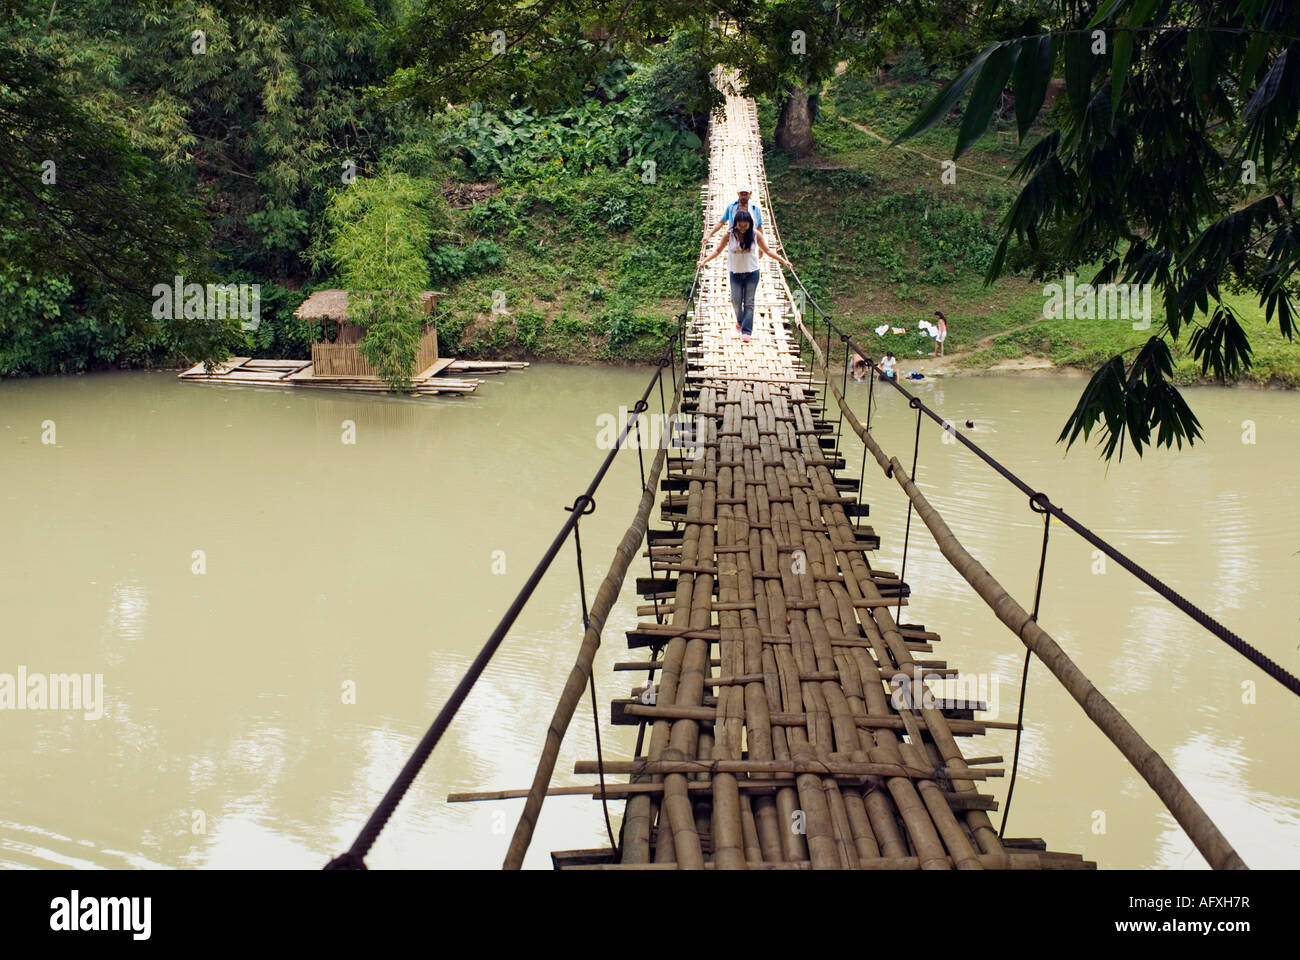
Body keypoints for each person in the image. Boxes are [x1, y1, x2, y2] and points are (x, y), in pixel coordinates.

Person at [698, 210, 791, 343]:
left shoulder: (755, 234)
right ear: (735, 223)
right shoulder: (729, 235)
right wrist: (704, 261)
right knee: (735, 301)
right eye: (739, 225)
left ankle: (746, 331)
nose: (742, 228)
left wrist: (783, 261)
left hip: (752, 273)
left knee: (749, 303)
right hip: (735, 273)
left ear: (750, 224)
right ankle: (740, 322)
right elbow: (718, 250)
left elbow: (768, 250)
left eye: (745, 225)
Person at [704, 183, 764, 248]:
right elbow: (721, 222)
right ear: (738, 193)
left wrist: (761, 247)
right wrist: (709, 235)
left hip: (750, 238)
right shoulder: (731, 207)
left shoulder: (755, 209)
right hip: (734, 238)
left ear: (750, 194)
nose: (743, 196)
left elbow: (759, 227)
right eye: (742, 194)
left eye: (746, 194)